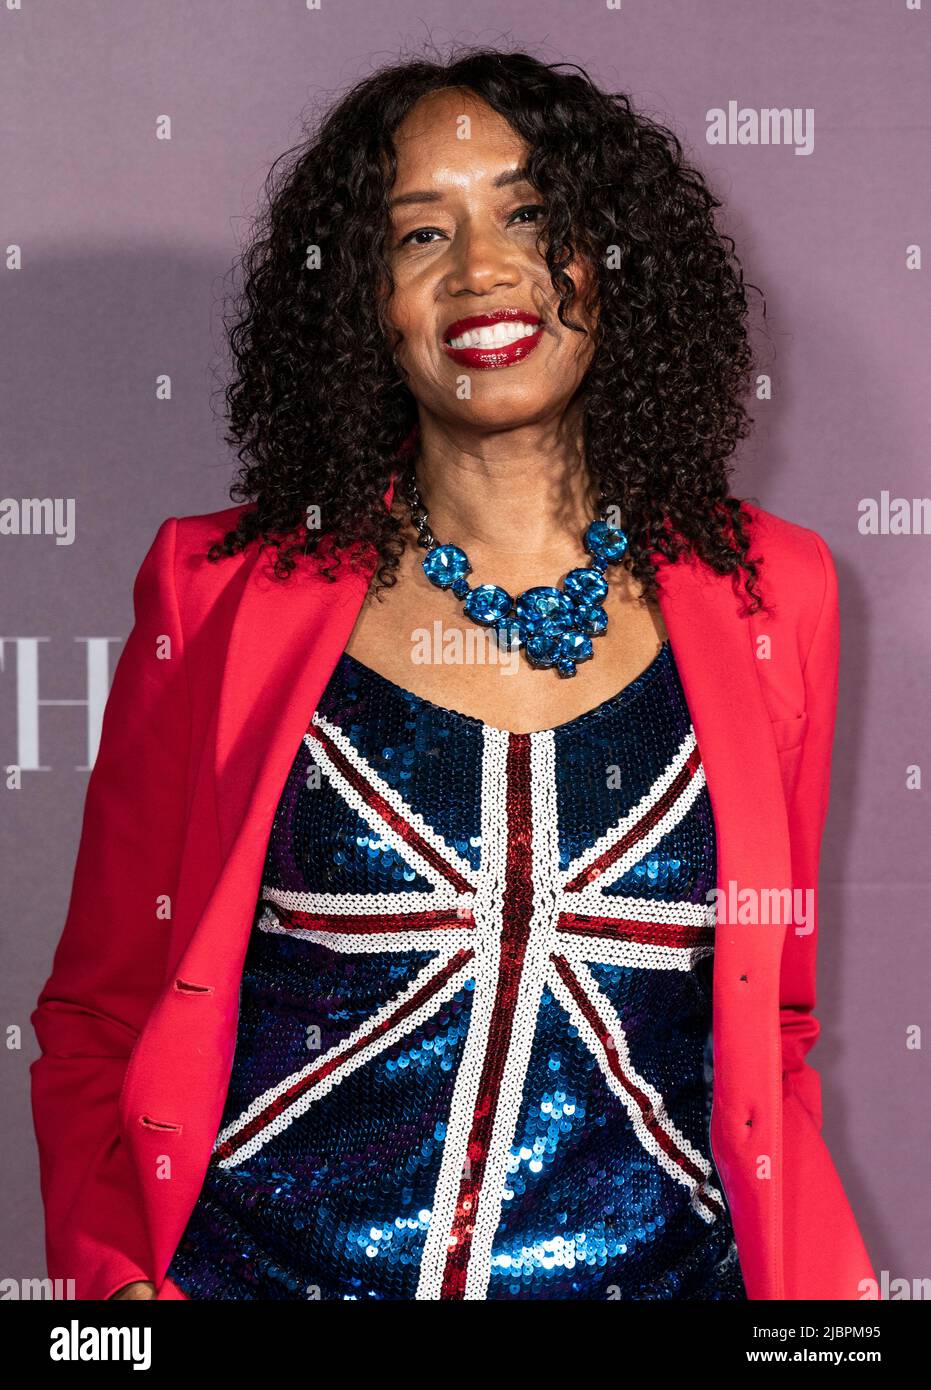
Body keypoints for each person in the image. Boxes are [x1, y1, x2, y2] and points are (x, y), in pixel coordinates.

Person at [30, 47, 876, 1301]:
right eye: (420, 235)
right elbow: (100, 1014)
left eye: (530, 215)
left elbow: (773, 1029)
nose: (483, 270)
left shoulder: (775, 590)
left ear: (606, 258)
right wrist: (116, 1303)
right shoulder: (214, 590)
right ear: (366, 301)